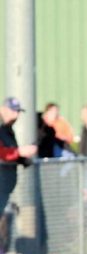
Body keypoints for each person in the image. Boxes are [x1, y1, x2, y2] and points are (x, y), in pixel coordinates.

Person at [0, 97, 38, 236]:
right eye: (13, 111)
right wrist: (19, 152)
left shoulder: (7, 129)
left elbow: (12, 152)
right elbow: (3, 153)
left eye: (18, 112)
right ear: (3, 109)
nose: (16, 116)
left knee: (7, 218)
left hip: (6, 187)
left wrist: (24, 158)